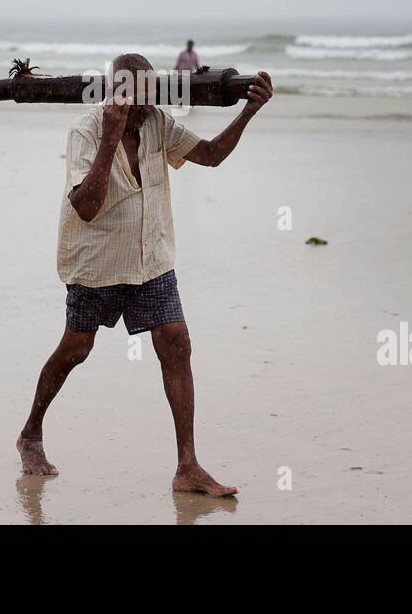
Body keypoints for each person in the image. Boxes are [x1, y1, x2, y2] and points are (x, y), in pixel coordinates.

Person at [16, 52, 273, 497]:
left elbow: (210, 156)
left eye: (150, 96)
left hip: (151, 259)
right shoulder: (86, 130)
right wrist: (110, 139)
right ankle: (31, 433)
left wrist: (249, 111)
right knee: (75, 349)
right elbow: (87, 206)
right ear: (113, 95)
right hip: (96, 262)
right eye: (134, 99)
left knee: (177, 343)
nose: (143, 107)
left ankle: (188, 466)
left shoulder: (157, 122)